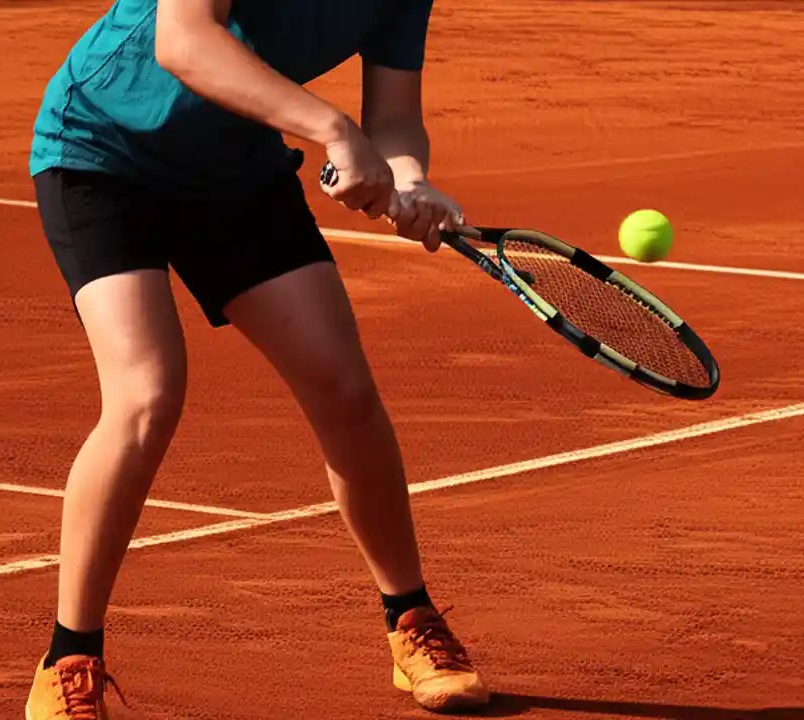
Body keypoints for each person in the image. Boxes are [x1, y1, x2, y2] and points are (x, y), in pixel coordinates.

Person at [24, 1, 489, 717]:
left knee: (341, 385)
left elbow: (395, 113)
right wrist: (333, 129)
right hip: (101, 153)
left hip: (233, 172)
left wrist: (409, 177)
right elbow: (184, 42)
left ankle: (410, 620)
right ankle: (70, 656)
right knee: (147, 393)